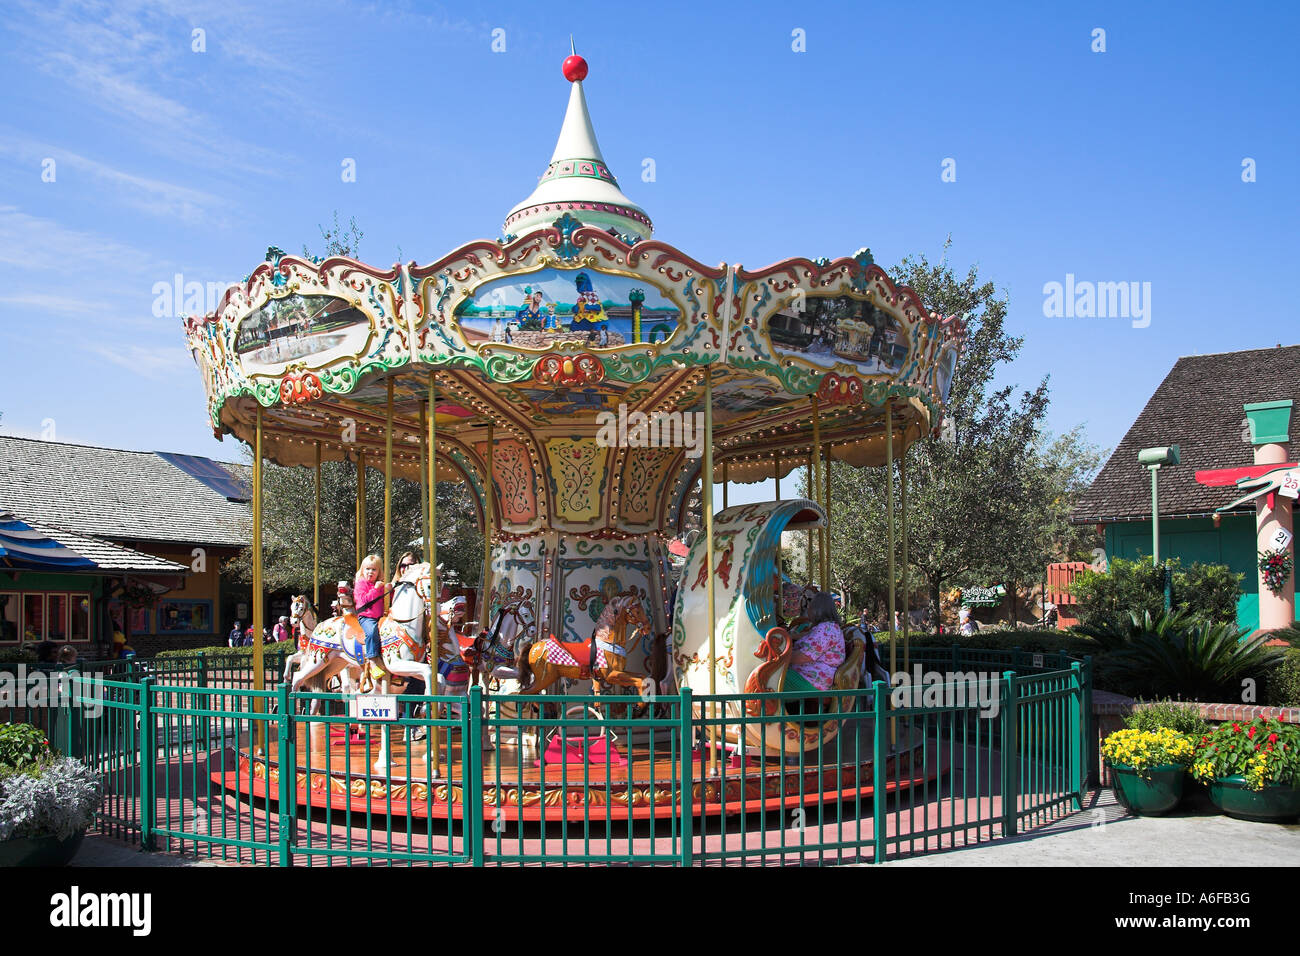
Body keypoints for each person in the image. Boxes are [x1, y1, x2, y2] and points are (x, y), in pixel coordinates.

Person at [787, 592, 846, 718]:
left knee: (770, 682)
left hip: (812, 679)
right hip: (810, 676)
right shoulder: (823, 628)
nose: (808, 608)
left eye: (811, 605)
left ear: (817, 609)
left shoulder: (826, 629)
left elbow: (805, 656)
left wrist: (780, 658)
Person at [355, 554, 393, 682]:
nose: (370, 572)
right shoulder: (360, 583)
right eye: (367, 569)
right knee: (371, 632)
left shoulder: (379, 585)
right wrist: (376, 590)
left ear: (379, 572)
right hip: (366, 617)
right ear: (362, 570)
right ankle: (372, 661)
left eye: (374, 569)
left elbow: (388, 600)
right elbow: (364, 601)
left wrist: (389, 590)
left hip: (380, 617)